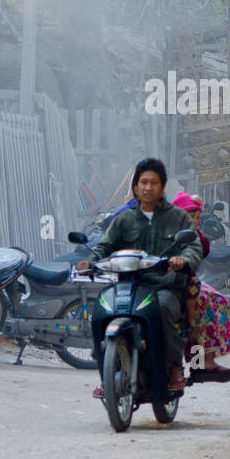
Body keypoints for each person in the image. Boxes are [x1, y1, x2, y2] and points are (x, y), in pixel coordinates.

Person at [79, 158, 202, 397]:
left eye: (153, 183)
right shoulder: (124, 220)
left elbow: (193, 247)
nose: (148, 187)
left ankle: (175, 365)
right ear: (135, 187)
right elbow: (105, 246)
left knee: (164, 308)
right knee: (101, 310)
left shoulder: (178, 218)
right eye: (143, 182)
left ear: (162, 187)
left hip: (164, 288)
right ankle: (106, 372)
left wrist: (183, 259)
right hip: (128, 286)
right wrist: (90, 262)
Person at [172, 191, 230, 383]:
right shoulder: (159, 231)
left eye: (196, 217)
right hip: (160, 283)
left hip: (184, 283)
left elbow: (195, 261)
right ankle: (200, 362)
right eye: (189, 215)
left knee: (216, 301)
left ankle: (201, 361)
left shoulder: (198, 239)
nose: (194, 220)